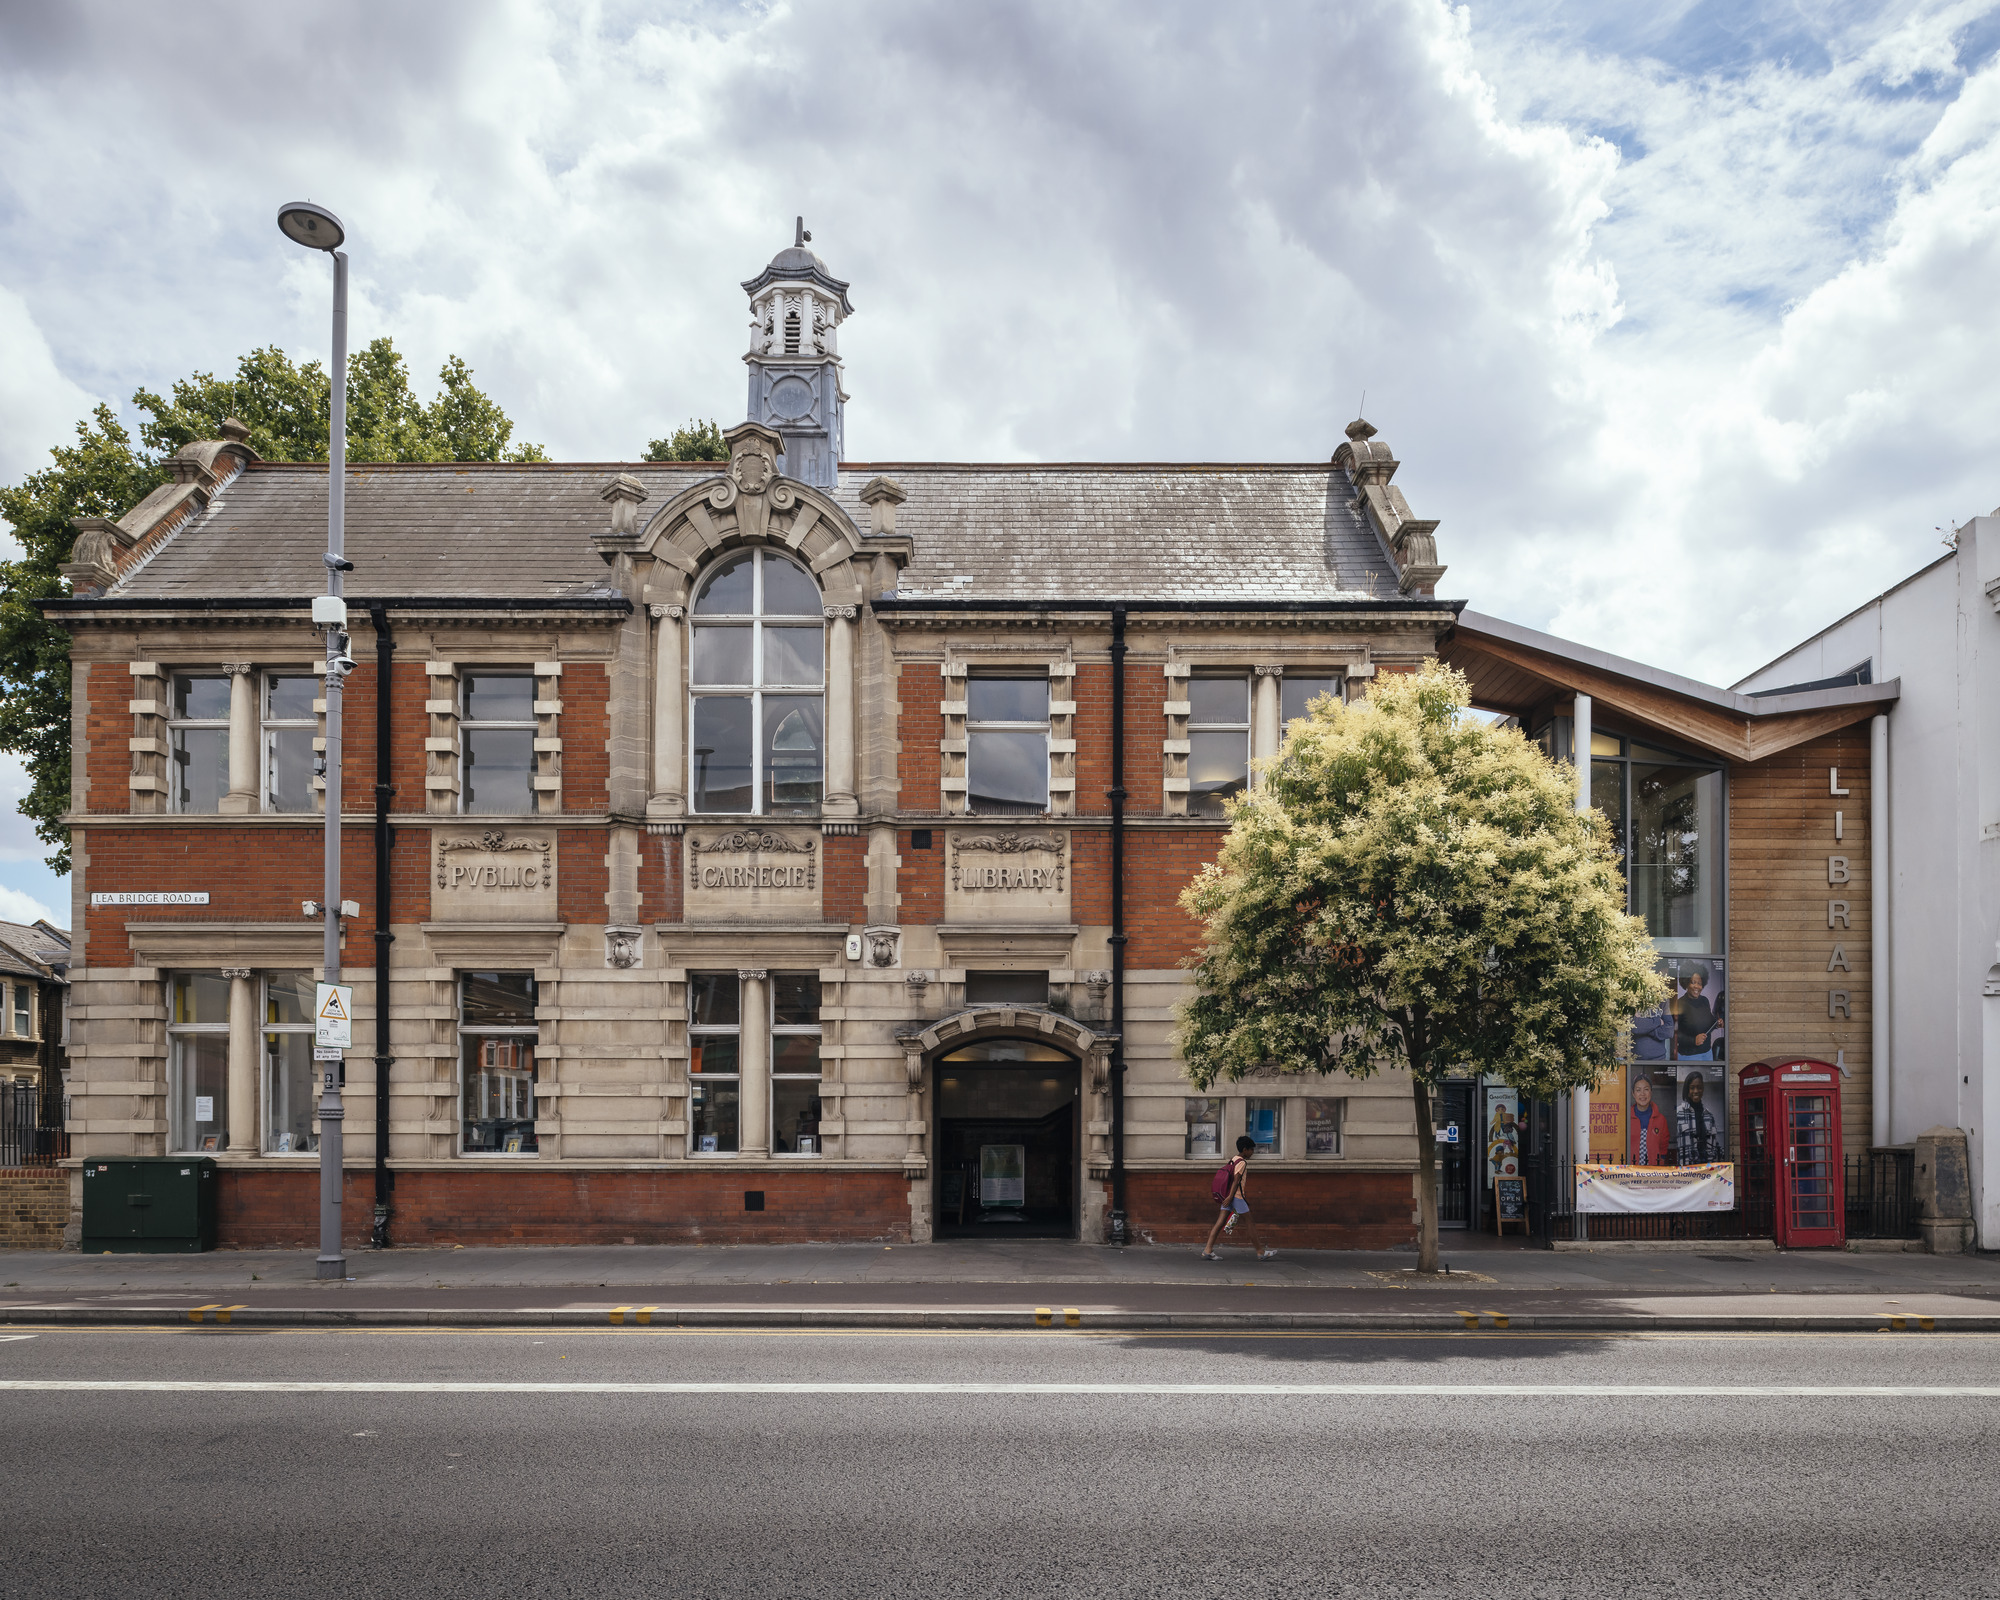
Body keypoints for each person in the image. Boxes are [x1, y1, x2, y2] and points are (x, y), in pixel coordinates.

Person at [1202, 1135, 1276, 1260]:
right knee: (1250, 1223)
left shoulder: (1233, 1159)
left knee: (1220, 1223)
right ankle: (1260, 1252)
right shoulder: (1242, 1162)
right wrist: (1231, 1197)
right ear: (1245, 1149)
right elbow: (1236, 1180)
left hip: (1228, 1196)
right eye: (1251, 1150)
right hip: (1236, 1197)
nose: (1252, 1152)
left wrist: (1228, 1197)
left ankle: (1207, 1250)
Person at [1629, 1072, 1674, 1166]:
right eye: (1638, 1090)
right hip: (1631, 1171)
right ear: (1633, 1093)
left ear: (1651, 1092)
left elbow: (1663, 1146)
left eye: (1646, 1089)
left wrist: (1660, 1162)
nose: (1642, 1094)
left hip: (1653, 1173)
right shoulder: (1626, 1118)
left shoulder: (1661, 1119)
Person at [1676, 1070, 1721, 1163]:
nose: (1696, 1091)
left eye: (1699, 1087)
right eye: (1692, 1088)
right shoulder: (1678, 1113)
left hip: (1706, 1168)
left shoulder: (1709, 1116)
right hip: (1687, 1170)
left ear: (1703, 1089)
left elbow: (1714, 1144)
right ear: (1687, 1090)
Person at [1675, 967, 1717, 1061]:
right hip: (1689, 1056)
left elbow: (1709, 1021)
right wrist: (1693, 1040)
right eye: (1693, 982)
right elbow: (1674, 1034)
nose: (1696, 986)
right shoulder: (1679, 1004)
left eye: (1699, 983)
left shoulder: (1704, 1001)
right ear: (1686, 983)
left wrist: (1717, 1024)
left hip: (1707, 1053)